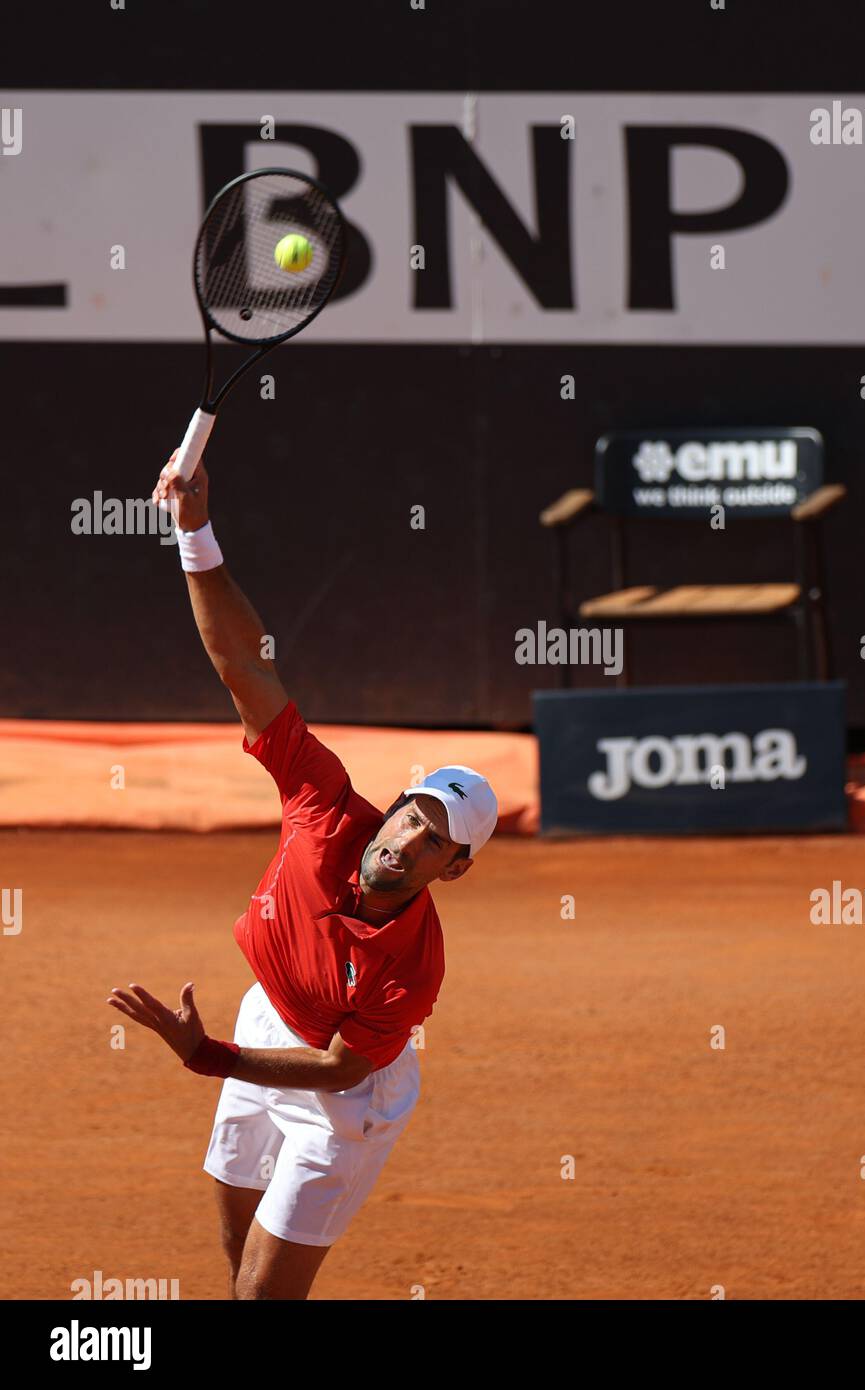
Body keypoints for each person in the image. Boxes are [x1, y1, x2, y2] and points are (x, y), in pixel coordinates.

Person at [107, 451, 498, 1300]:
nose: (406, 841)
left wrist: (206, 1055)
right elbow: (247, 669)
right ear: (394, 804)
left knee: (260, 1295)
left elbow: (338, 1071)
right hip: (267, 1018)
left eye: (434, 843)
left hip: (342, 1100)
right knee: (233, 1251)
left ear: (453, 869)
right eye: (411, 814)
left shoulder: (412, 960)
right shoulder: (322, 802)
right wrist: (194, 531)